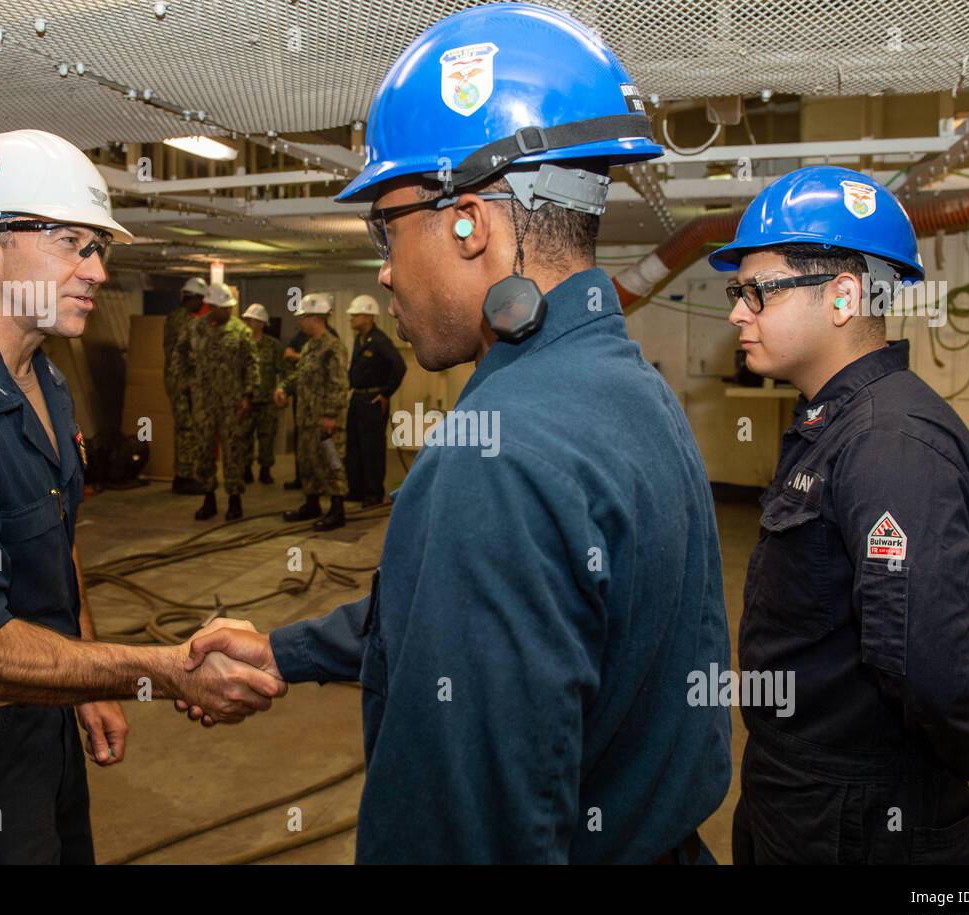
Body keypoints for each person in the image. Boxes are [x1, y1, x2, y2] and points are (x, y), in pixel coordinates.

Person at [180, 3, 732, 863]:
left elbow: (469, 832)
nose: (386, 269)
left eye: (386, 228)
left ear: (469, 221)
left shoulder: (499, 457)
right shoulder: (636, 395)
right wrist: (284, 649)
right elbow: (468, 609)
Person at [0, 129, 285, 864]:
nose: (97, 269)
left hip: (38, 718)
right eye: (73, 242)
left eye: (99, 247)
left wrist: (81, 684)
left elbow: (55, 541)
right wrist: (156, 667)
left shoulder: (42, 378)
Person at [708, 165, 969, 864]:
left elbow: (923, 659)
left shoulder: (888, 442)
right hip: (802, 792)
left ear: (843, 297)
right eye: (738, 292)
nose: (737, 311)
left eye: (757, 291)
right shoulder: (838, 423)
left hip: (856, 818)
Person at [274, 293, 349, 531]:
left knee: (332, 462)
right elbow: (301, 375)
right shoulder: (309, 346)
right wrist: (284, 387)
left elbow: (339, 384)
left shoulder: (333, 347)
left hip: (326, 420)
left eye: (303, 317)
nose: (299, 322)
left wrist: (330, 415)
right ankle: (312, 503)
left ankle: (337, 510)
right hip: (306, 418)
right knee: (308, 462)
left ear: (315, 318)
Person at [191, 282, 259, 521]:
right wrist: (186, 388)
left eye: (229, 307)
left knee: (233, 452)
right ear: (211, 306)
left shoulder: (241, 331)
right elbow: (182, 357)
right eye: (223, 308)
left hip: (232, 402)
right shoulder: (196, 329)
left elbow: (252, 364)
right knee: (204, 450)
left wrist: (248, 394)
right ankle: (208, 499)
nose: (227, 311)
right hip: (204, 402)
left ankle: (234, 500)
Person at [343, 294, 405, 507]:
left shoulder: (379, 341)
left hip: (372, 400)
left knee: (371, 449)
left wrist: (386, 393)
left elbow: (399, 366)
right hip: (357, 398)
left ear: (368, 317)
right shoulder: (360, 340)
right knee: (354, 447)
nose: (351, 319)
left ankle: (373, 493)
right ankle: (356, 489)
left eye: (355, 315)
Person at [163, 276, 208, 494]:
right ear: (196, 298)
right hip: (183, 382)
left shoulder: (174, 317)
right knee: (186, 428)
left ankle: (186, 473)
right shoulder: (187, 322)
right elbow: (191, 354)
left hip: (176, 379)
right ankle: (184, 476)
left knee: (185, 427)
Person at [241, 303, 285, 485]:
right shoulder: (240, 344)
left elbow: (283, 371)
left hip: (267, 401)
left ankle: (265, 470)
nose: (249, 323)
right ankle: (245, 469)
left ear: (262, 323)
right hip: (247, 400)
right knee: (244, 437)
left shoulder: (273, 346)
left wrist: (281, 389)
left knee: (267, 438)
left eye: (253, 320)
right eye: (248, 320)